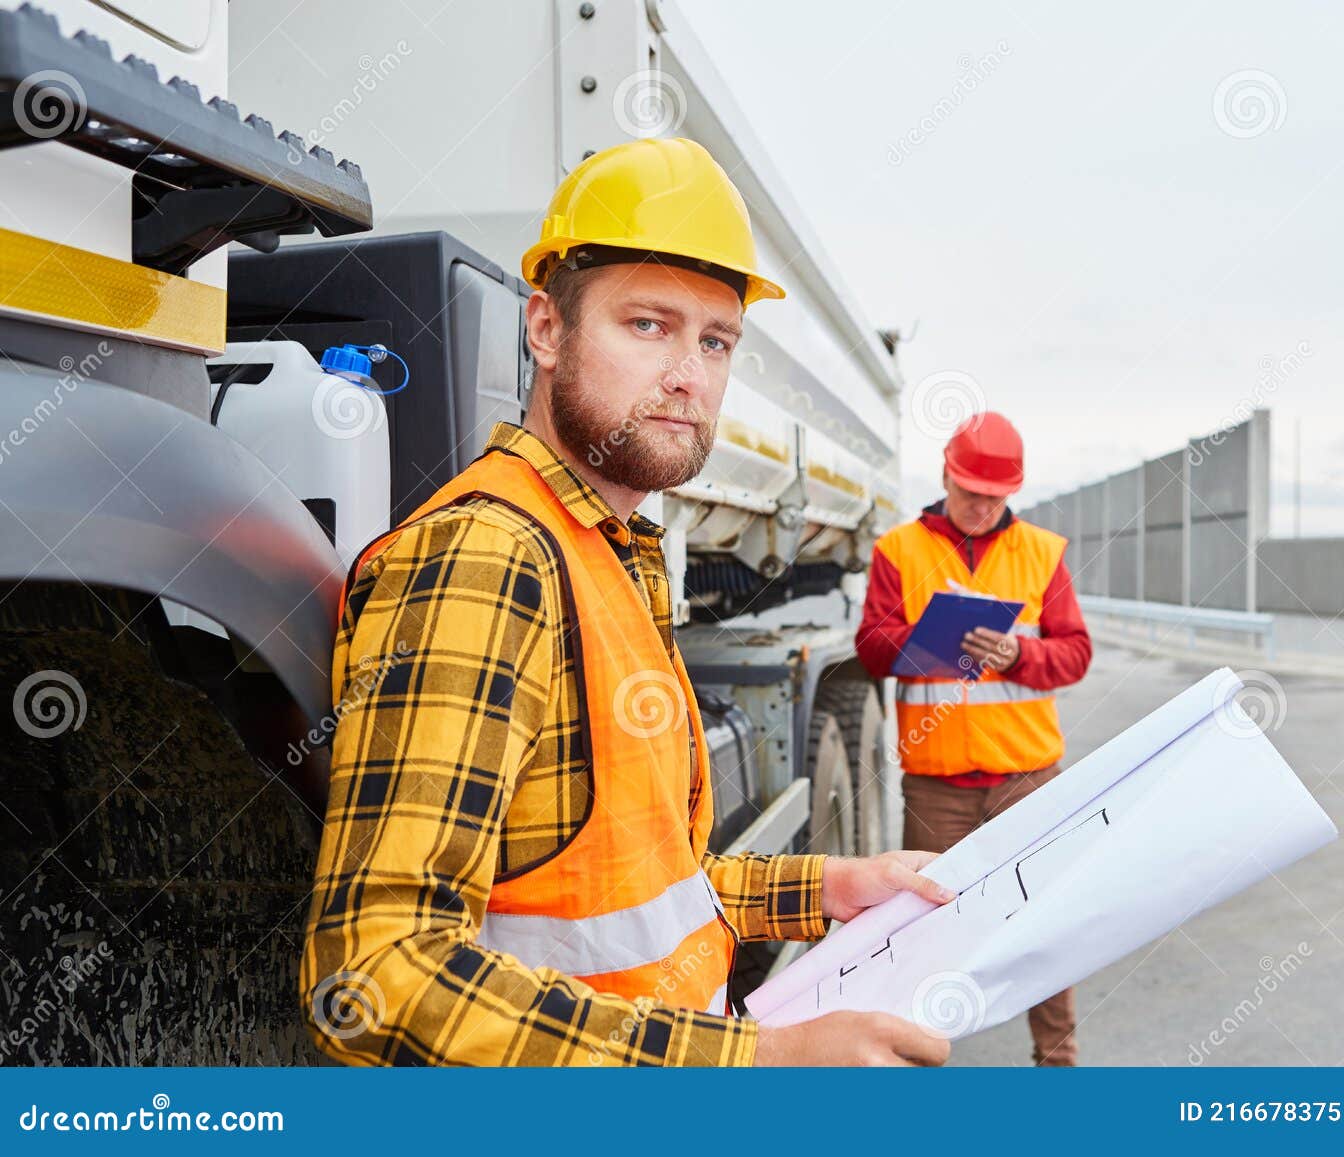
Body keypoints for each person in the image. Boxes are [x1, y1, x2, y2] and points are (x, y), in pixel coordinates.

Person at [300, 137, 953, 1067]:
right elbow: (378, 977)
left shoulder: (605, 550)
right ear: (546, 330)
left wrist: (836, 885)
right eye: (647, 325)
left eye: (715, 339)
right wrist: (759, 1063)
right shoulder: (486, 558)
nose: (689, 373)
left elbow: (639, 892)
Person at [854, 411, 1094, 1065]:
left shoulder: (1044, 552)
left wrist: (1017, 653)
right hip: (937, 785)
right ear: (945, 478)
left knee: (1041, 924)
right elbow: (872, 647)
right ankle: (918, 1062)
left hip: (1026, 777)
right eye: (971, 495)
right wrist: (929, 641)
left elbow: (1074, 654)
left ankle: (1057, 1062)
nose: (983, 508)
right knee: (929, 934)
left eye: (996, 498)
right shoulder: (898, 550)